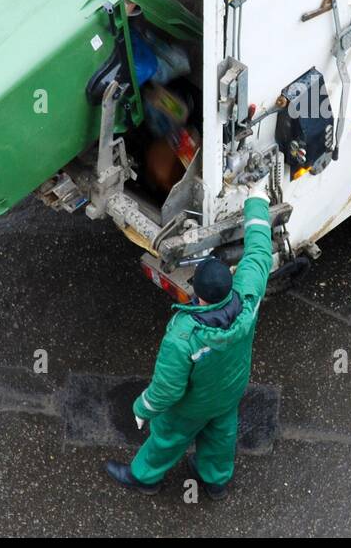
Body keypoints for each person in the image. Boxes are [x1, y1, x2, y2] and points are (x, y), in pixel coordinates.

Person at [105, 183, 273, 500]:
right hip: (228, 395)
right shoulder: (247, 297)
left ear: (201, 296)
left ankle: (144, 477)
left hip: (190, 408)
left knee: (168, 438)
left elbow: (167, 389)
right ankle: (215, 481)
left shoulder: (185, 336)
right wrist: (257, 203)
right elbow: (259, 252)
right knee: (222, 435)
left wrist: (143, 408)